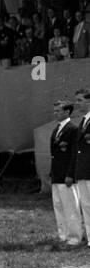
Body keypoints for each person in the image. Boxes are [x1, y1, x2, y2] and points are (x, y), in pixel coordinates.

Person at [49, 101, 82, 248]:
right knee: (59, 206)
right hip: (56, 175)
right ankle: (63, 235)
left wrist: (70, 174)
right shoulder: (57, 129)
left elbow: (74, 154)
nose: (55, 113)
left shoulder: (72, 129)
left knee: (70, 207)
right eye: (55, 110)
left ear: (67, 112)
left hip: (66, 176)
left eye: (58, 111)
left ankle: (75, 237)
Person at [72, 90, 90, 248]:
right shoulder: (83, 121)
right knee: (86, 206)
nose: (77, 103)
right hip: (83, 171)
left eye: (80, 100)